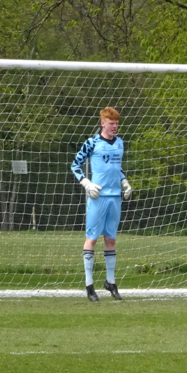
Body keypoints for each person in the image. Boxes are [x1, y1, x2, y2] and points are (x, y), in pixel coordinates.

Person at [71, 107, 131, 302]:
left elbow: (116, 167)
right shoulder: (92, 142)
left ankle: (110, 282)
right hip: (98, 198)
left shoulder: (120, 143)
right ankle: (89, 285)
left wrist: (124, 182)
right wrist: (87, 184)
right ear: (102, 123)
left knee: (111, 240)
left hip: (115, 197)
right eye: (111, 123)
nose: (115, 127)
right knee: (92, 238)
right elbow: (75, 165)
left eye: (116, 124)